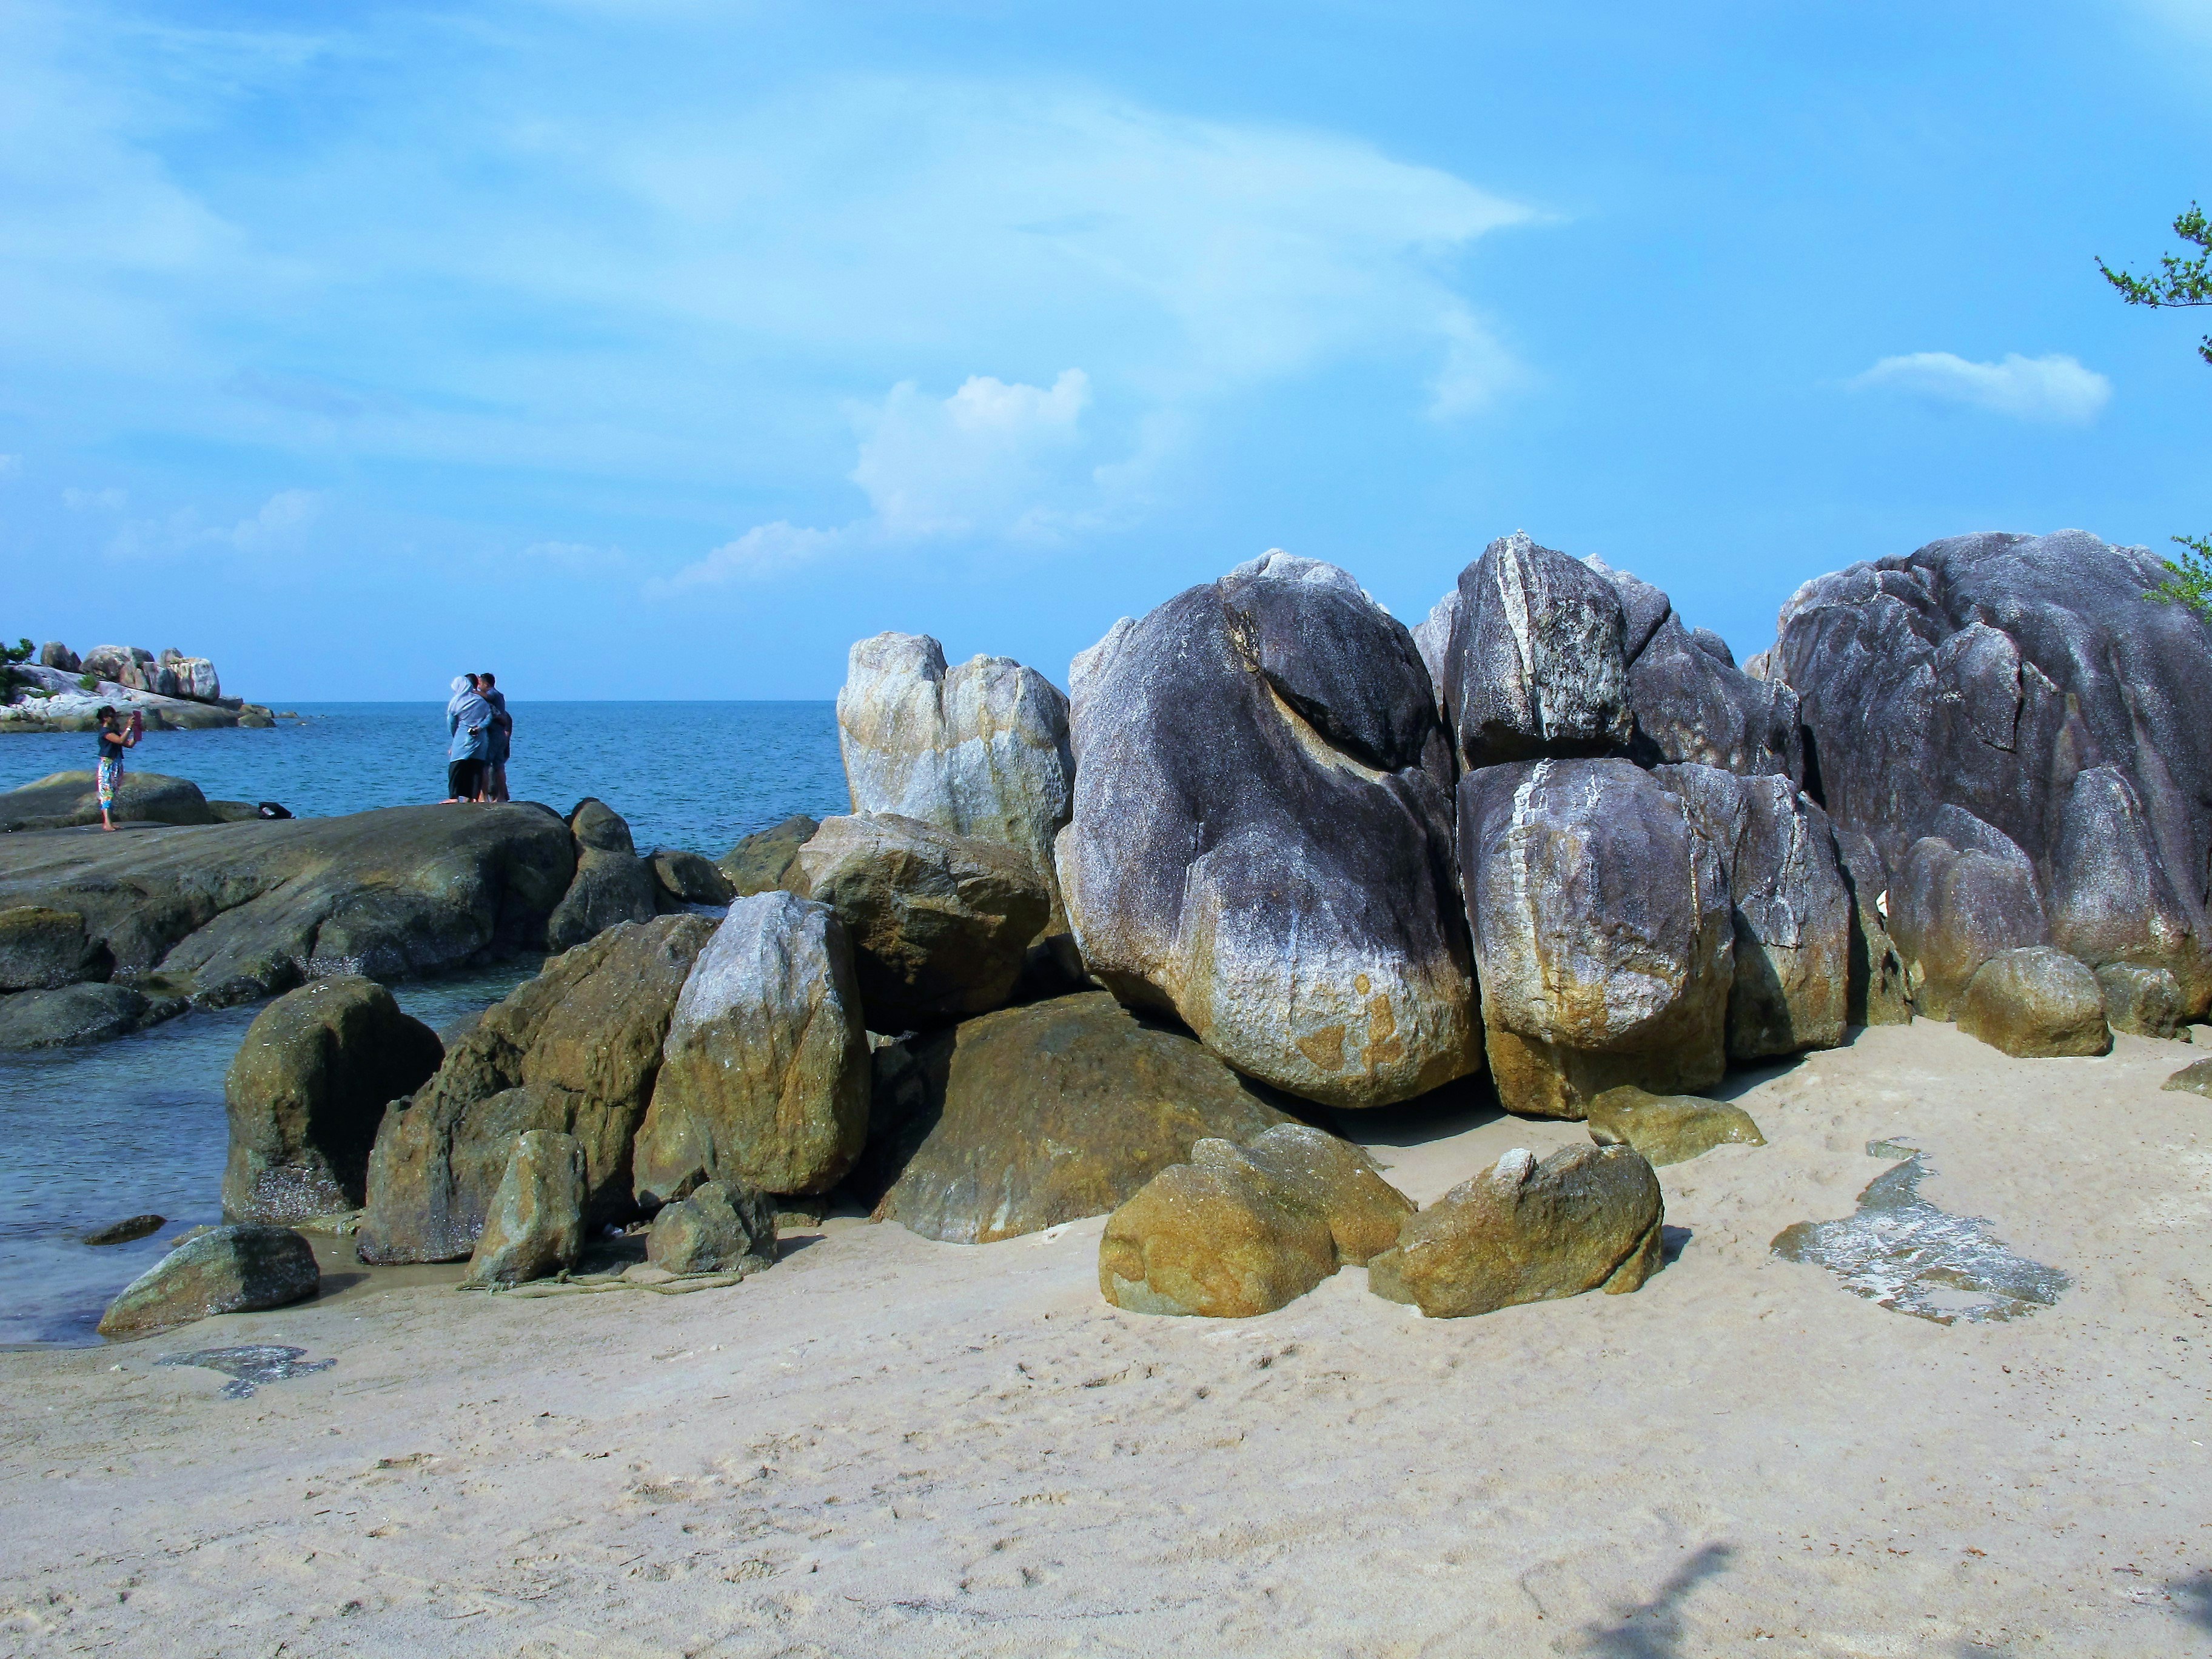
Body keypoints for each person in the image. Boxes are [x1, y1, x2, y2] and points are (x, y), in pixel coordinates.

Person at [443, 674, 492, 803]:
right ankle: (474, 796)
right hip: (481, 738)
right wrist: (479, 728)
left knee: (456, 765)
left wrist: (455, 737)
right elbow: (489, 717)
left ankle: (454, 796)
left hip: (463, 736)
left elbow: (451, 722)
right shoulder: (480, 701)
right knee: (476, 767)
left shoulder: (457, 701)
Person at [93, 705, 141, 831]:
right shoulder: (105, 732)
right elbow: (120, 740)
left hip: (117, 764)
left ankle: (110, 822)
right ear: (105, 718)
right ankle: (107, 823)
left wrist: (136, 733)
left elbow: (128, 744)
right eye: (112, 716)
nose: (115, 718)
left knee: (112, 793)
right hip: (108, 765)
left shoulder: (113, 731)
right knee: (107, 793)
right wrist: (129, 727)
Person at [476, 671, 511, 803]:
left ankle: (484, 796)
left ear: (486, 684)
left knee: (485, 765)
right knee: (499, 766)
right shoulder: (499, 696)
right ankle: (501, 796)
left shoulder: (493, 694)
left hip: (494, 734)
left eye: (480, 684)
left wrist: (471, 692)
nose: (479, 687)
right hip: (500, 734)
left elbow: (487, 697)